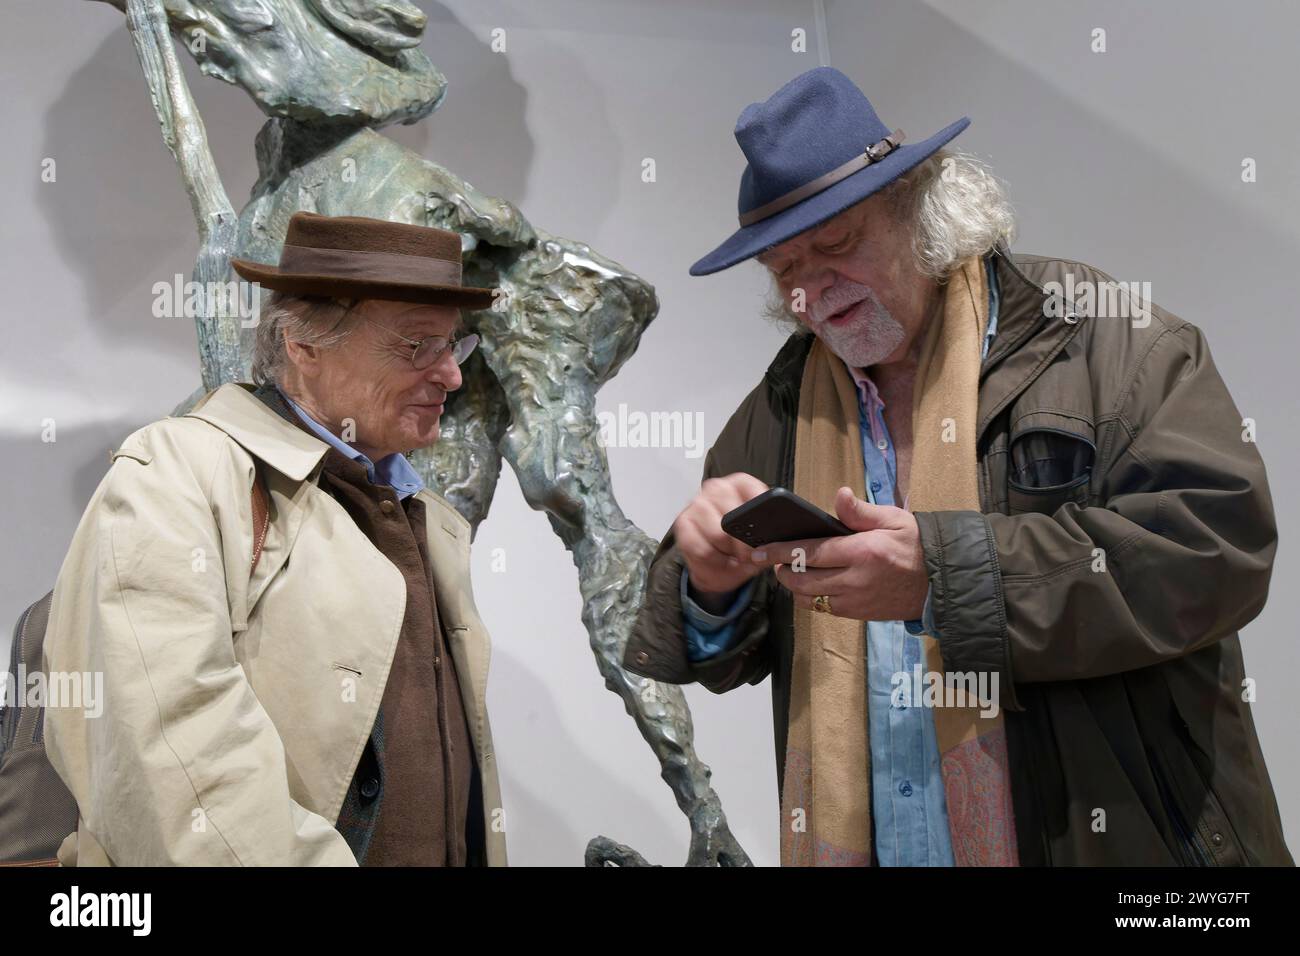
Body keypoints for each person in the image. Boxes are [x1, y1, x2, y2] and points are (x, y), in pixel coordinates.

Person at [624, 67, 1291, 866]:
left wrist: (944, 579)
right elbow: (716, 653)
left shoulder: (1104, 339)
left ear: (922, 206)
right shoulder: (782, 405)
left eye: (835, 244)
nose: (809, 291)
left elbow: (1214, 551)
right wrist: (710, 582)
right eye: (784, 269)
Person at [43, 211, 507, 866]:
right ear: (305, 345)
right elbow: (180, 770)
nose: (452, 377)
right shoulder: (176, 477)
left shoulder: (418, 513)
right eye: (416, 347)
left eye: (452, 346)